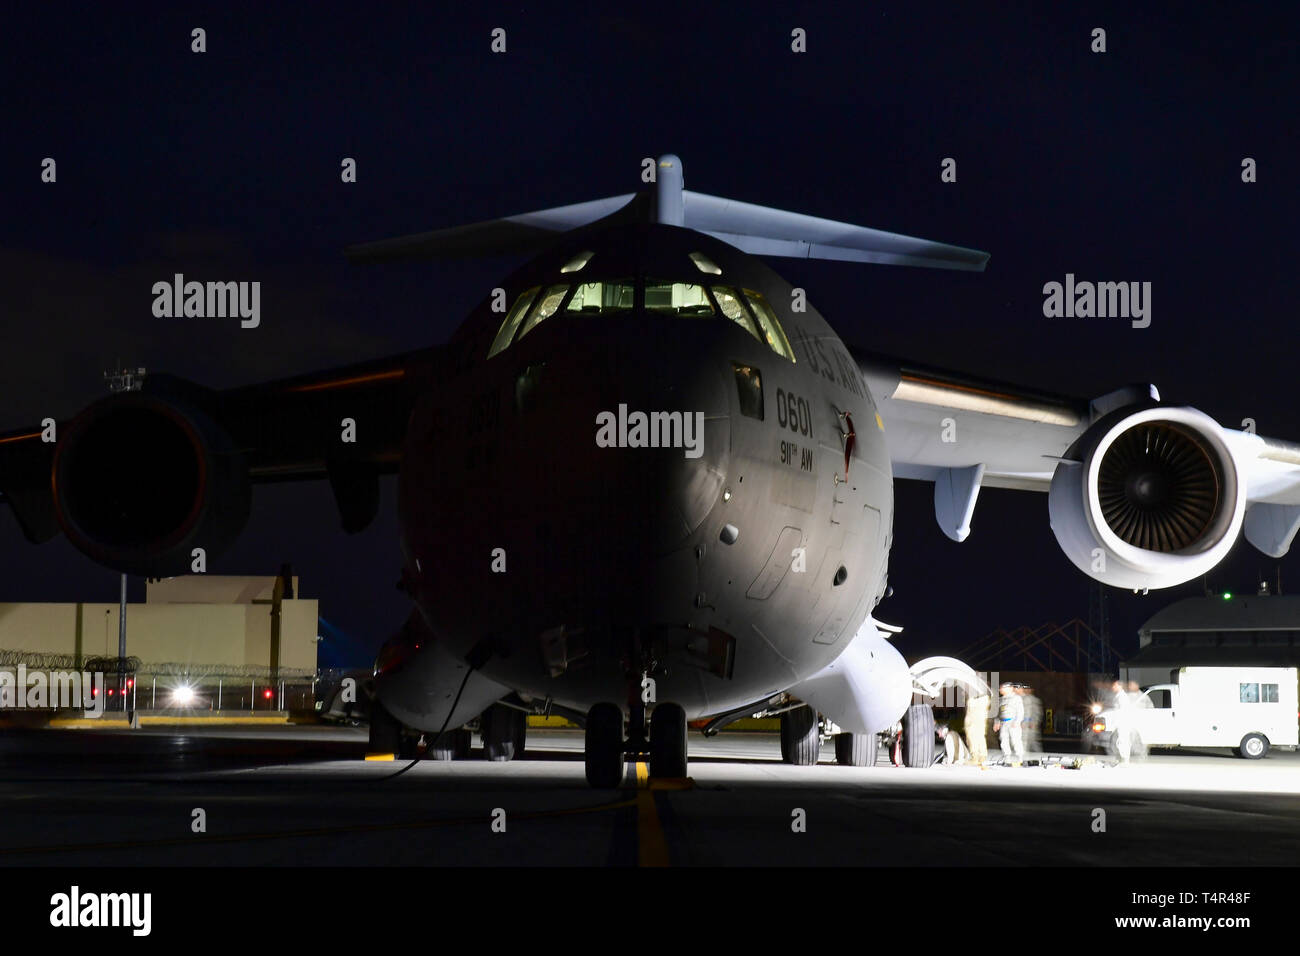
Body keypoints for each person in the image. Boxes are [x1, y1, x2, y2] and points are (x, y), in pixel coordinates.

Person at [996, 682, 1025, 766]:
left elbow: (1020, 711)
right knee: (1003, 740)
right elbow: (998, 713)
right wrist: (997, 722)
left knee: (1016, 740)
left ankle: (1020, 757)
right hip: (1003, 722)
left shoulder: (1016, 698)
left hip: (1013, 722)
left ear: (1010, 688)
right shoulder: (1000, 699)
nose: (1000, 689)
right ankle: (1007, 756)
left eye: (1002, 688)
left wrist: (1017, 721)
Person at [964, 692, 991, 768]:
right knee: (975, 738)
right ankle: (980, 757)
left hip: (976, 720)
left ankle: (977, 757)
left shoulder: (982, 698)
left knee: (976, 738)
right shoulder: (975, 697)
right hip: (972, 720)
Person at [1109, 679, 1133, 764]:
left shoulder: (1122, 697)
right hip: (1120, 722)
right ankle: (1121, 758)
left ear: (1120, 686)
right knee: (1119, 741)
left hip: (1123, 722)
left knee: (1123, 741)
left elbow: (1123, 711)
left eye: (1115, 685)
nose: (1113, 687)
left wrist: (1117, 722)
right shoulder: (1119, 696)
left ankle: (1125, 759)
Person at [1021, 684, 1043, 757]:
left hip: (1031, 724)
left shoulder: (1034, 700)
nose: (1026, 690)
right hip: (1024, 724)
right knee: (1026, 742)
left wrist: (1034, 722)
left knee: (1033, 742)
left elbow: (1037, 713)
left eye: (1028, 689)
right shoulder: (1022, 698)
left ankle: (1040, 756)